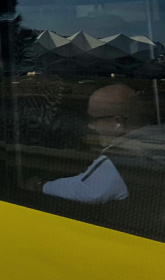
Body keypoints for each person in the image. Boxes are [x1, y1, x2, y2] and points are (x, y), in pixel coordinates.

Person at [25, 84, 164, 204]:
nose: (90, 126)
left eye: (94, 119)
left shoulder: (122, 155)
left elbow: (85, 190)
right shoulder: (157, 136)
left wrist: (40, 185)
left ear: (117, 123)